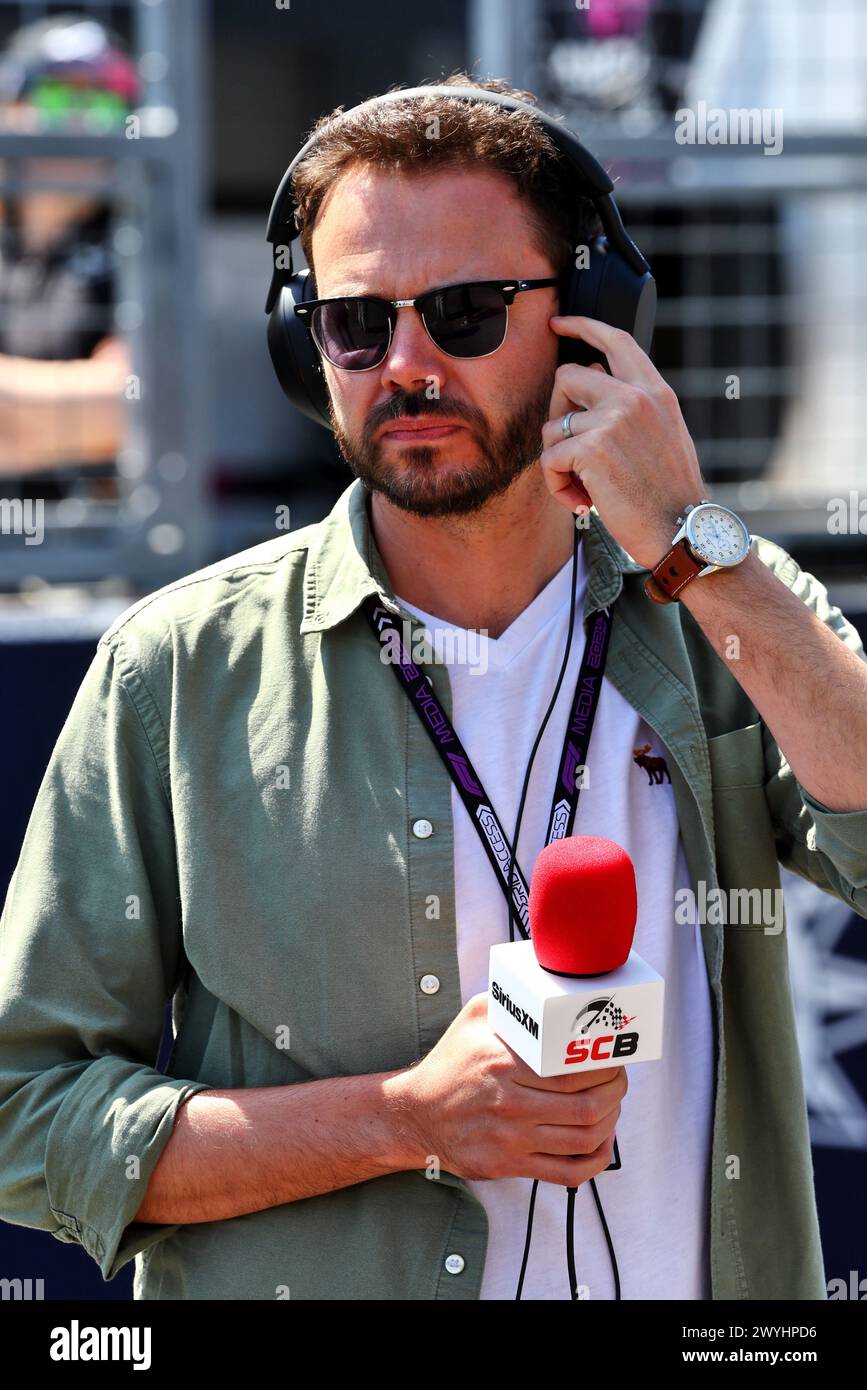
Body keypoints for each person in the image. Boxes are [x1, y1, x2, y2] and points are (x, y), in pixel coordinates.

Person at [1, 73, 866, 1302]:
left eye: (463, 311)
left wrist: (690, 539)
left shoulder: (723, 604)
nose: (405, 362)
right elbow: (24, 1117)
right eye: (357, 322)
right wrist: (403, 1119)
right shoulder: (175, 671)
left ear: (590, 321)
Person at [0, 13, 139, 475]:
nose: (83, 124)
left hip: (96, 537)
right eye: (59, 96)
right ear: (10, 110)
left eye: (105, 104)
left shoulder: (140, 244)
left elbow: (131, 411)